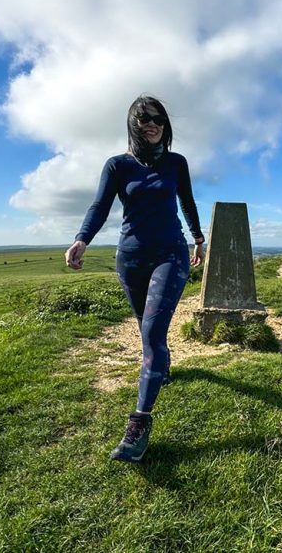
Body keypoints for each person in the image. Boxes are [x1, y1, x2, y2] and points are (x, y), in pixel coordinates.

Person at [65, 94, 205, 463]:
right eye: (145, 119)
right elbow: (99, 206)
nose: (153, 124)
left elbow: (187, 201)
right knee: (147, 329)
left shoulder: (176, 162)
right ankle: (162, 364)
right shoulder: (117, 165)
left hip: (170, 254)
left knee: (152, 334)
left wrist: (198, 237)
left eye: (158, 118)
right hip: (130, 259)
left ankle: (139, 425)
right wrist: (82, 239)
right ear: (133, 124)